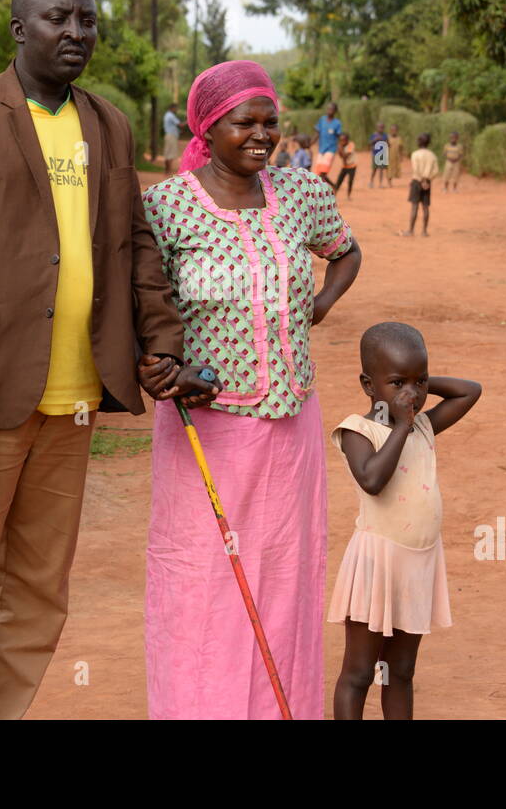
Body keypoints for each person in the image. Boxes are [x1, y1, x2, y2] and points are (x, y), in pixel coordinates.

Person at [0, 0, 219, 720]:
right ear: (19, 29)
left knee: (39, 597)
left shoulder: (107, 125)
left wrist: (163, 343)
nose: (76, 33)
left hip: (73, 403)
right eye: (58, 19)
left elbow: (137, 248)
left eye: (87, 20)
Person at [141, 60, 363, 719]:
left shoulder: (299, 193)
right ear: (208, 128)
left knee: (284, 578)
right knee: (207, 585)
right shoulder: (167, 206)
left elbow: (346, 249)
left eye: (271, 122)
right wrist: (155, 365)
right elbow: (136, 305)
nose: (263, 134)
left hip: (292, 432)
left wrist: (319, 306)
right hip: (207, 433)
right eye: (246, 122)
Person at [329, 322, 482, 719]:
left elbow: (470, 390)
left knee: (402, 670)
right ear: (368, 385)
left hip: (418, 562)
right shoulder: (357, 431)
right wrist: (400, 423)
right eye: (397, 383)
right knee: (360, 672)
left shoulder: (423, 424)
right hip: (375, 564)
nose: (411, 394)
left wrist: (417, 385)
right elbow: (373, 480)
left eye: (420, 382)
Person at [404, 132, 437, 236]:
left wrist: (421, 180)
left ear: (419, 142)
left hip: (417, 182)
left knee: (414, 207)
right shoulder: (432, 155)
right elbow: (436, 171)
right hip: (427, 183)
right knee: (425, 207)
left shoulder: (415, 154)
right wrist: (427, 180)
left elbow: (416, 169)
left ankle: (411, 230)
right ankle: (424, 231)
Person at [311, 101, 343, 183]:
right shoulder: (322, 119)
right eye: (328, 108)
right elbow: (317, 133)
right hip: (321, 149)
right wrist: (310, 144)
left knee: (323, 172)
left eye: (331, 109)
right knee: (316, 173)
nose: (329, 110)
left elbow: (339, 137)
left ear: (335, 111)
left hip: (330, 150)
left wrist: (340, 148)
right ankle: (332, 186)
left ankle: (330, 187)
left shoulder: (337, 123)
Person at [333, 131, 358, 198]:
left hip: (352, 166)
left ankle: (348, 195)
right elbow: (341, 156)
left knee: (350, 181)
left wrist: (340, 148)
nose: (342, 142)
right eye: (341, 140)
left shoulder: (351, 145)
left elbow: (345, 156)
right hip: (344, 166)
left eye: (343, 140)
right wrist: (340, 149)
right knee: (339, 181)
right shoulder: (341, 146)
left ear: (347, 140)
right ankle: (334, 194)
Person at [162, 101, 183, 175]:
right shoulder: (171, 116)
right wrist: (189, 121)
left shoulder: (167, 115)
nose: (177, 110)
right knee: (170, 154)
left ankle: (167, 171)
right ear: (173, 108)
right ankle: (168, 171)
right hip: (171, 136)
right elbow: (180, 125)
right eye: (176, 108)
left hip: (169, 135)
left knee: (168, 153)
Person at [369, 122, 389, 188]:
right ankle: (371, 182)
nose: (381, 129)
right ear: (377, 128)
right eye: (379, 127)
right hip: (375, 154)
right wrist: (376, 139)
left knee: (381, 169)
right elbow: (370, 143)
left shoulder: (385, 135)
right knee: (374, 170)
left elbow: (388, 144)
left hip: (382, 154)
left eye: (382, 127)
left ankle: (380, 184)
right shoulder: (374, 135)